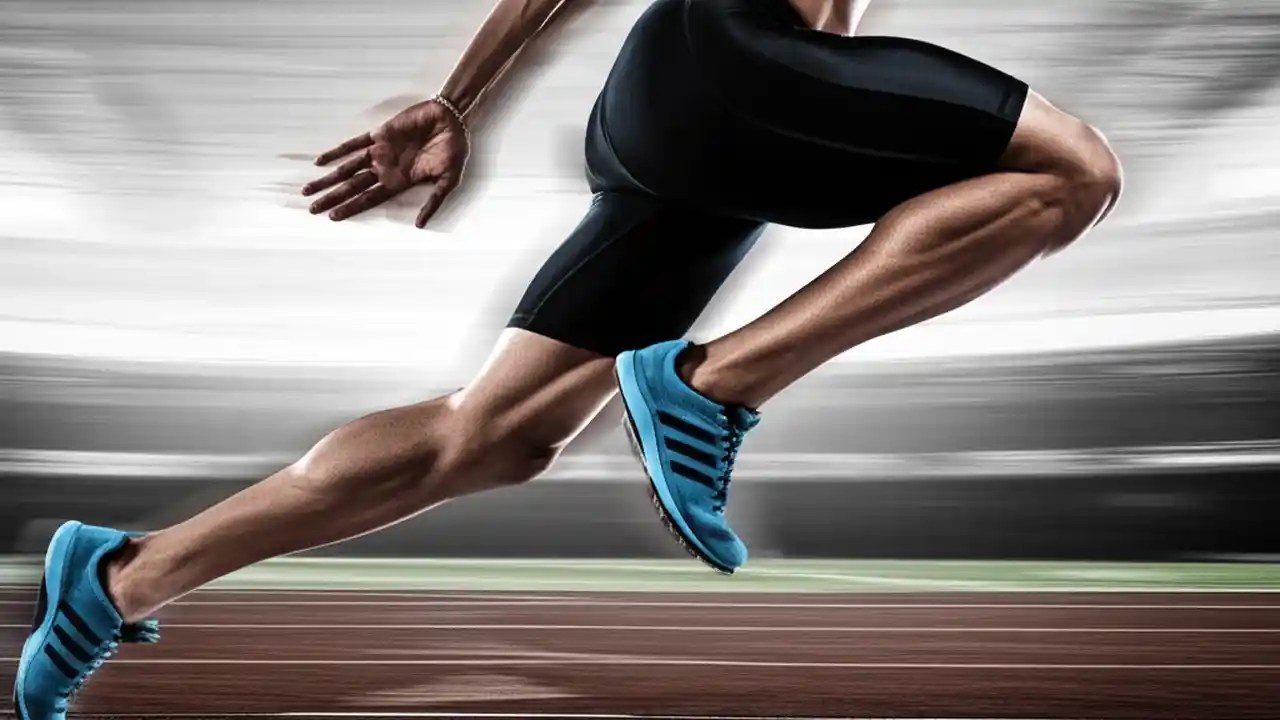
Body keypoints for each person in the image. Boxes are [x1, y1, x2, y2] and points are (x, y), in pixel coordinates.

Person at [13, 0, 1122, 716]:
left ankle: (120, 578)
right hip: (734, 67)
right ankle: (712, 385)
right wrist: (456, 94)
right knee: (1068, 172)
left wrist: (461, 98)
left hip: (715, 114)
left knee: (491, 437)